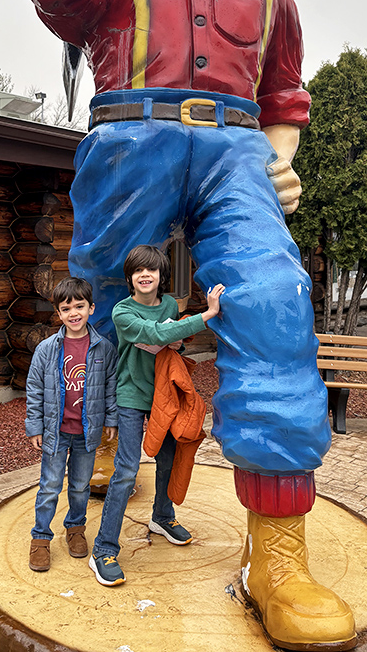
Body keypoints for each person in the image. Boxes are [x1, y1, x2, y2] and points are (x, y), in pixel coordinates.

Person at [21, 0, 356, 648]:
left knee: (273, 299)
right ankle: (98, 436)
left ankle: (276, 553)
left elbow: (284, 94)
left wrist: (281, 156)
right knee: (98, 294)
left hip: (236, 149)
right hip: (129, 134)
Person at [88, 245, 224, 586]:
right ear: (130, 277)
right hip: (131, 395)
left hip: (164, 394)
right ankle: (103, 549)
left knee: (168, 458)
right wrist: (207, 315)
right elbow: (156, 334)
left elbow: (171, 340)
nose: (145, 275)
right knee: (126, 470)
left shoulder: (168, 306)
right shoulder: (122, 311)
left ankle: (162, 517)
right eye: (138, 270)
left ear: (162, 275)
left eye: (151, 269)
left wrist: (178, 342)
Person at [25, 276, 118, 572]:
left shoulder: (103, 349)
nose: (73, 313)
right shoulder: (46, 349)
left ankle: (75, 528)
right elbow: (34, 389)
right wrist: (35, 426)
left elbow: (110, 386)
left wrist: (111, 419)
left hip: (87, 433)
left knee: (79, 486)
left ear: (91, 308)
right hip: (55, 431)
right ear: (58, 313)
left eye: (79, 306)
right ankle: (40, 538)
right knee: (50, 487)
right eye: (66, 309)